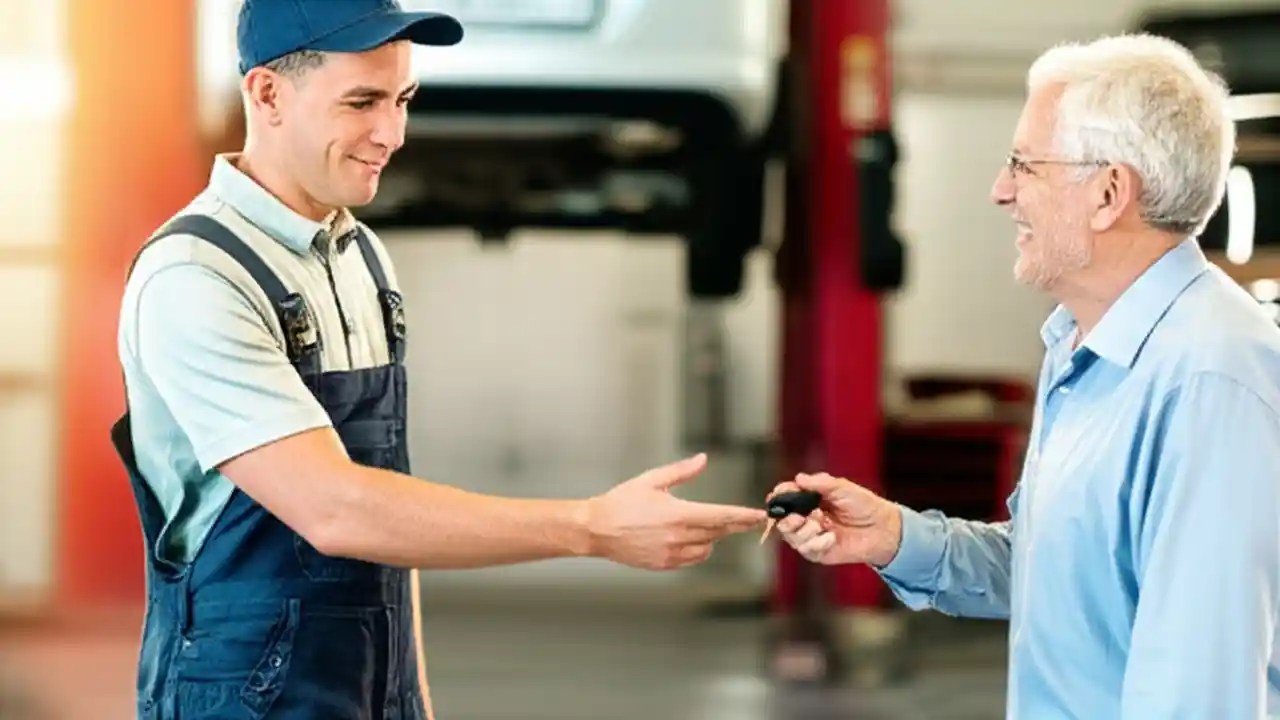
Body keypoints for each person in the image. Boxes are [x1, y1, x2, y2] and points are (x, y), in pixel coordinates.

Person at [111, 1, 765, 718]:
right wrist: (589, 527)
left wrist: (409, 696)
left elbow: (388, 501)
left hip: (365, 690)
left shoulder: (360, 256)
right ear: (267, 94)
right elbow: (336, 510)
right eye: (361, 102)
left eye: (403, 100)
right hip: (240, 698)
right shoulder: (195, 276)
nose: (391, 134)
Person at [770, 33, 1280, 718]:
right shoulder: (1082, 346)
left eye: (1024, 165)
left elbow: (1199, 690)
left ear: (1108, 192)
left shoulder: (1211, 381)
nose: (1001, 191)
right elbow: (1064, 574)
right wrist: (893, 537)